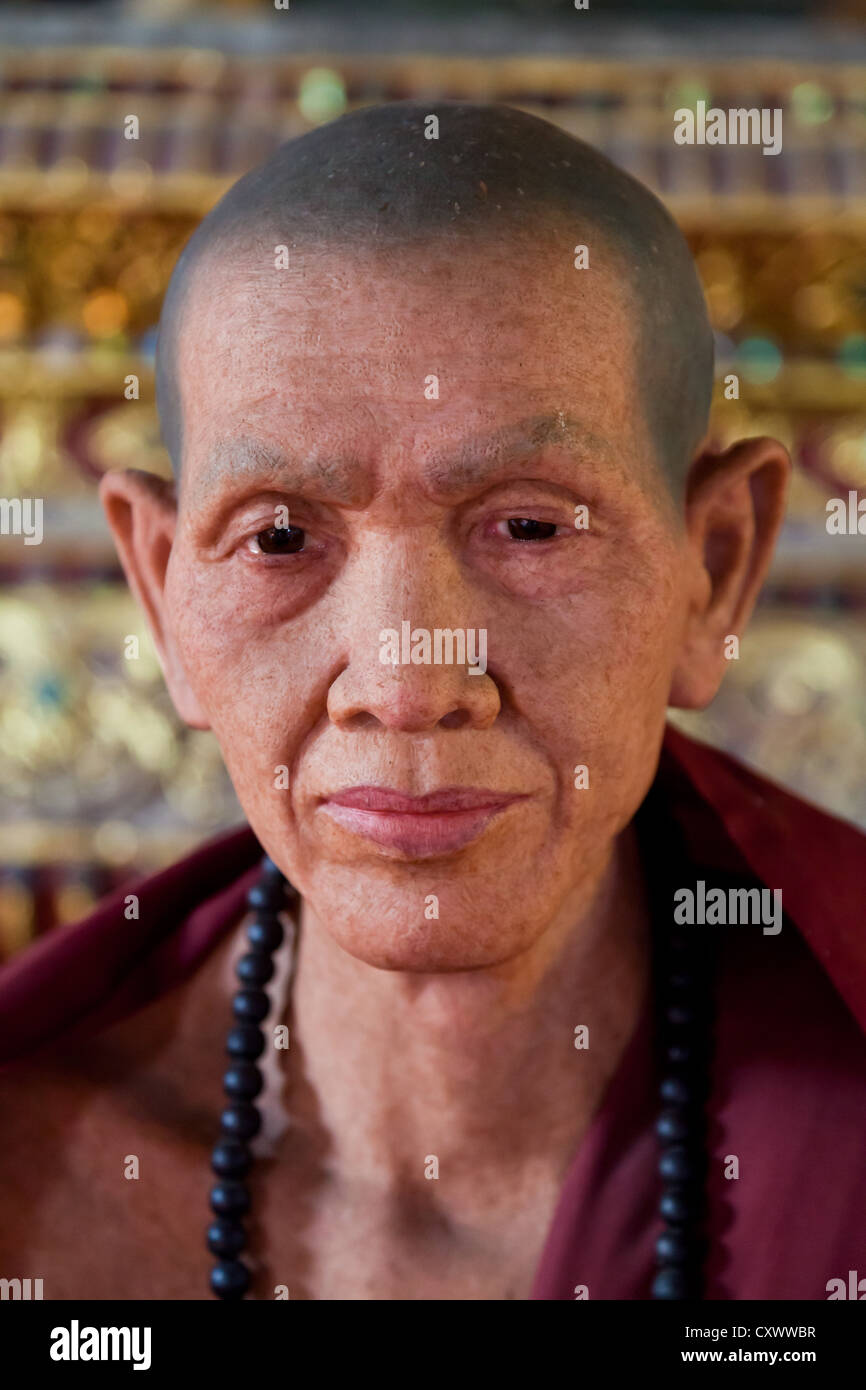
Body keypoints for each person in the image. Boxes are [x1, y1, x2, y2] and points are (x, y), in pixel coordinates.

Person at [1, 101, 864, 1302]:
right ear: (160, 592)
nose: (406, 683)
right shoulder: (30, 1180)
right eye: (282, 535)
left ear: (712, 566)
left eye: (526, 526)